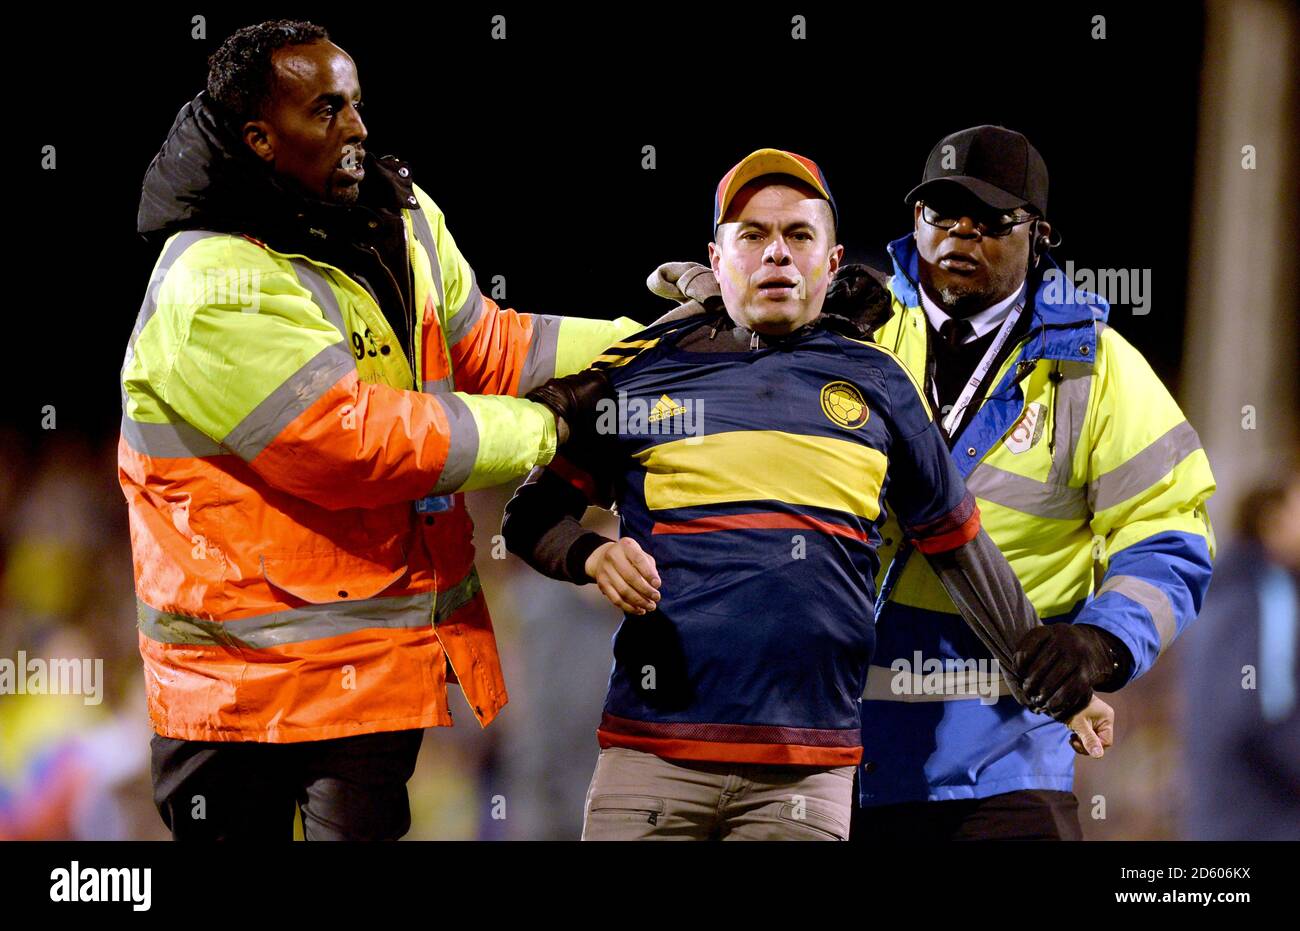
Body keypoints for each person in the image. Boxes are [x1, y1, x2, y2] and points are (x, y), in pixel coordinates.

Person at [121, 19, 637, 840]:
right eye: (326, 109)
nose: (357, 127)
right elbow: (351, 443)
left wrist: (655, 346)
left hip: (368, 671)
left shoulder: (401, 216)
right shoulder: (212, 276)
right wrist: (545, 424)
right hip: (234, 689)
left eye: (356, 103)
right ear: (259, 138)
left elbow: (489, 346)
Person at [503, 149, 1113, 841]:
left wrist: (1065, 692)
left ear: (832, 261)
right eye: (753, 234)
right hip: (650, 763)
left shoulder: (880, 383)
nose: (777, 253)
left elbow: (961, 552)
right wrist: (590, 553)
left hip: (806, 777)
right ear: (717, 257)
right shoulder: (644, 372)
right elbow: (531, 515)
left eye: (799, 234)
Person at [645, 126, 1215, 840]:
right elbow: (725, 353)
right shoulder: (851, 327)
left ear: (1039, 235)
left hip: (1004, 766)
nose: (960, 235)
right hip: (821, 752)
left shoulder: (1097, 370)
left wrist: (1102, 641)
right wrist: (732, 306)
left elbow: (1169, 533)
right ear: (915, 219)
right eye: (941, 214)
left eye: (991, 220)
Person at [1182, 466, 1300, 840]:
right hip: (1263, 818)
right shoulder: (1267, 598)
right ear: (1272, 520)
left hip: (1223, 815)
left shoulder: (1224, 593)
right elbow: (1260, 711)